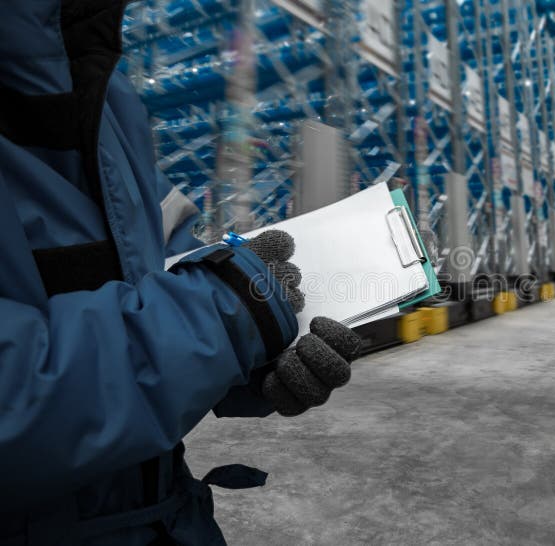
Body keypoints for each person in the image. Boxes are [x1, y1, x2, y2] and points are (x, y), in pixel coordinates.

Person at [0, 1, 360, 544]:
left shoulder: (104, 86)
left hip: (167, 520)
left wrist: (254, 360)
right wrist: (222, 316)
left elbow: (162, 263)